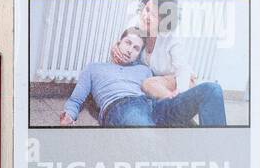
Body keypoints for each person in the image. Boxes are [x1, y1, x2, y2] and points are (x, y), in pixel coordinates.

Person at [60, 28, 228, 128]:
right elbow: (76, 100)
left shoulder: (143, 69)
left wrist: (188, 75)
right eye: (126, 43)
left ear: (139, 54)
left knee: (212, 89)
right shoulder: (94, 68)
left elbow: (168, 79)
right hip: (122, 107)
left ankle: (217, 151)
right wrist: (69, 115)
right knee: (149, 138)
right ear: (117, 43)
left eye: (135, 48)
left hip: (155, 106)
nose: (129, 50)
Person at [112, 0, 195, 100]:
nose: (146, 16)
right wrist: (117, 48)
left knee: (148, 84)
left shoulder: (171, 38)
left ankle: (176, 104)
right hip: (157, 80)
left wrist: (181, 94)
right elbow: (126, 40)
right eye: (147, 10)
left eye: (154, 16)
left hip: (179, 79)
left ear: (162, 21)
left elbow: (182, 70)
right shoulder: (138, 26)